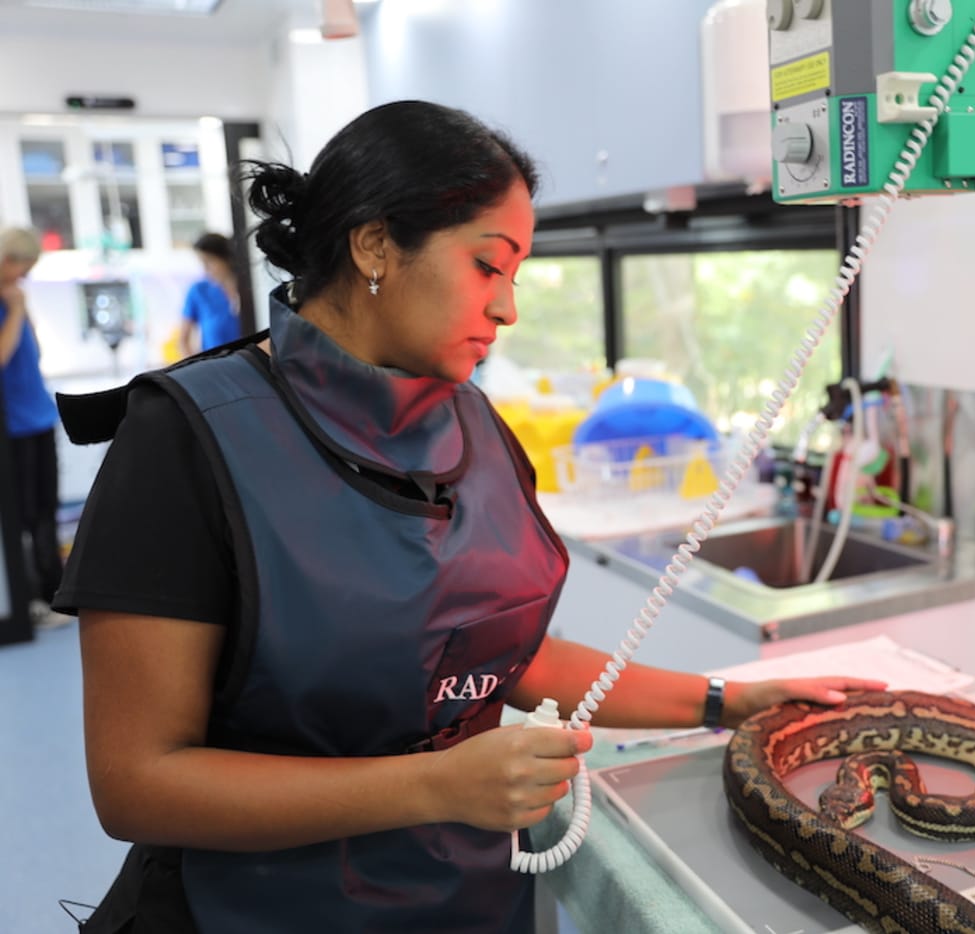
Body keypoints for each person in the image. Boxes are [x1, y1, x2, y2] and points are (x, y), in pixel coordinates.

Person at [53, 100, 882, 933]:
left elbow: (505, 659)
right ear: (375, 245)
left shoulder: (473, 426)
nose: (508, 308)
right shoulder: (188, 440)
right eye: (489, 266)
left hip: (465, 901)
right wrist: (434, 787)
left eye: (516, 275)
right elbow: (137, 784)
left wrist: (728, 700)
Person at [0, 226, 69, 631]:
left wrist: (23, 312)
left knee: (47, 512)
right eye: (22, 268)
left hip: (40, 418)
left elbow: (34, 353)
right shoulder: (9, 304)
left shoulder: (15, 299)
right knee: (27, 517)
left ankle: (55, 591)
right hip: (15, 429)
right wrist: (16, 312)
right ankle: (36, 598)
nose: (23, 277)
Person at [177, 231, 242, 356]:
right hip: (215, 364)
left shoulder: (247, 290)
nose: (205, 268)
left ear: (226, 259)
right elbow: (183, 341)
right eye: (202, 262)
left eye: (210, 261)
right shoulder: (198, 291)